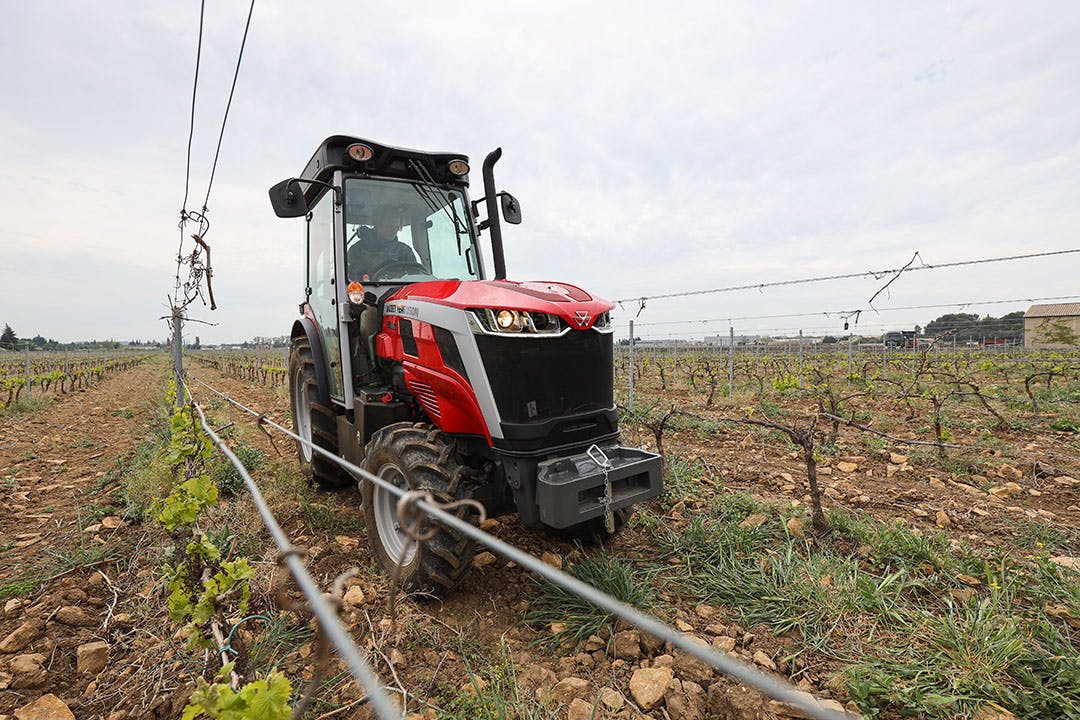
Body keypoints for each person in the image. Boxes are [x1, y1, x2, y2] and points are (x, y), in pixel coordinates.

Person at [347, 204, 420, 281]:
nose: (394, 231)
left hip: (400, 291)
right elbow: (354, 283)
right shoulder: (357, 250)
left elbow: (415, 277)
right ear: (377, 225)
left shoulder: (405, 251)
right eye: (389, 227)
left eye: (397, 227)